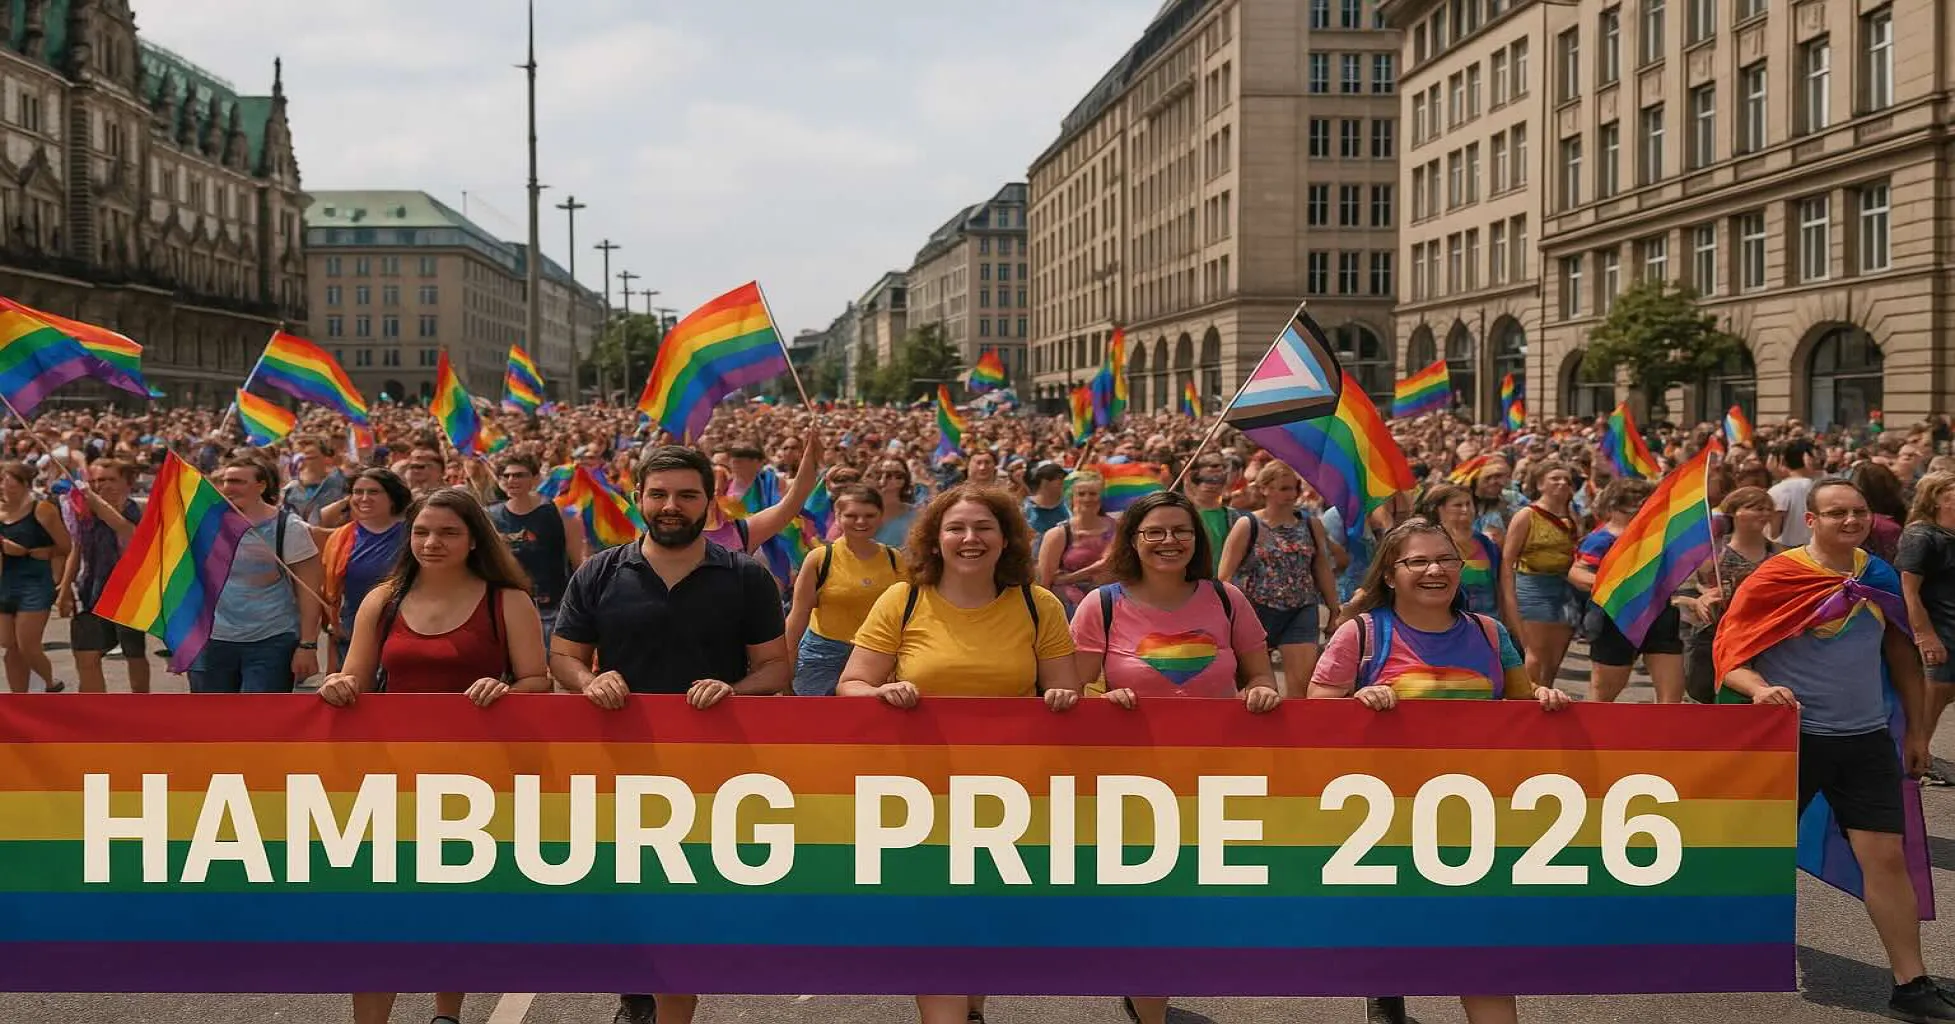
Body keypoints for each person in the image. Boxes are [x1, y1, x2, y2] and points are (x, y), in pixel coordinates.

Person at [548, 444, 791, 1024]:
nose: (670, 506)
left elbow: (776, 668)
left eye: (686, 495)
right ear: (639, 499)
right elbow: (562, 655)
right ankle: (637, 997)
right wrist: (589, 679)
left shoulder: (746, 577)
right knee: (627, 886)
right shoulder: (599, 572)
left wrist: (736, 688)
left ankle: (672, 1003)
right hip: (620, 759)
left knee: (689, 894)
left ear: (710, 504)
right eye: (658, 494)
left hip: (713, 766)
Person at [1309, 519, 1570, 1024]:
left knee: (1483, 953)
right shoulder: (1359, 633)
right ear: (1389, 573)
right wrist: (1354, 701)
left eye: (1447, 559)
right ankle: (1385, 992)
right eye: (1418, 561)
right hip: (1387, 823)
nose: (1436, 570)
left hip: (1475, 821)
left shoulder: (1490, 633)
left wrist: (1542, 696)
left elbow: (1519, 700)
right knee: (1393, 928)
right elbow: (1316, 708)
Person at [837, 484, 1079, 1024]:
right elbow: (851, 683)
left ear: (1006, 538)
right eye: (956, 528)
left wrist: (1061, 698)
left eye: (983, 528)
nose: (970, 539)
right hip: (920, 795)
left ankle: (969, 1007)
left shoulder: (1038, 606)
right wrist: (879, 693)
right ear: (935, 538)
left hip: (1007, 797)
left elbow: (1066, 695)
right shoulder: (901, 601)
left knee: (981, 920)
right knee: (935, 921)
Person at [1715, 479, 1955, 1022]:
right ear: (1812, 521)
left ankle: (1911, 984)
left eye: (1859, 511)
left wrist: (1917, 734)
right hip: (1790, 743)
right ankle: (1710, 953)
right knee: (1751, 855)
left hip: (1866, 740)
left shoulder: (1877, 574)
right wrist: (1758, 689)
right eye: (1837, 513)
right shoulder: (1777, 577)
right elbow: (1729, 656)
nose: (1851, 521)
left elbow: (1902, 656)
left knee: (1887, 861)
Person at [315, 487, 550, 1024]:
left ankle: (447, 1013)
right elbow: (354, 676)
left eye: (447, 532)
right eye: (421, 531)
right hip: (390, 776)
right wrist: (338, 686)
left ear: (473, 540)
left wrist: (508, 690)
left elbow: (538, 680)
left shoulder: (505, 600)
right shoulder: (383, 599)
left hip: (474, 779)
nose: (432, 542)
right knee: (378, 909)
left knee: (453, 903)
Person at [193, 453, 323, 694]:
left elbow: (309, 592)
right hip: (211, 640)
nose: (228, 487)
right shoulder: (205, 523)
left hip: (271, 642)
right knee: (212, 723)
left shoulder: (289, 528)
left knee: (262, 725)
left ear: (261, 485)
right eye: (225, 481)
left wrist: (308, 645)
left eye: (238, 481)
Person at [1218, 462, 1341, 691]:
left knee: (1302, 685)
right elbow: (1225, 574)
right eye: (1284, 489)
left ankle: (1298, 727)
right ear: (1265, 489)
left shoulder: (1310, 524)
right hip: (1255, 611)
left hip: (1301, 609)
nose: (1291, 495)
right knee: (1254, 686)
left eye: (1294, 488)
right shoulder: (1248, 524)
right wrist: (1224, 616)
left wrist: (1334, 608)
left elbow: (1321, 567)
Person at [1568, 477, 1687, 703]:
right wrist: (1620, 586)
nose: (1640, 509)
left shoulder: (1658, 537)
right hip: (1615, 618)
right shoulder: (1602, 539)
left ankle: (1664, 738)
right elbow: (1577, 573)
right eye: (1634, 504)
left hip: (1659, 617)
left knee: (1672, 696)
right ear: (1615, 506)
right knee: (1604, 693)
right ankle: (1589, 737)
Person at [785, 484, 903, 696]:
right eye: (852, 515)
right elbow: (799, 613)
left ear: (881, 516)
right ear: (837, 517)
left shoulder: (895, 559)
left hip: (877, 655)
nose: (861, 522)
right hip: (823, 655)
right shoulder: (820, 558)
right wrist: (784, 662)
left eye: (869, 515)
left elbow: (906, 615)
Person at [1680, 486, 1782, 704]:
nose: (1764, 514)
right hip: (1712, 636)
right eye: (1755, 508)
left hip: (1763, 639)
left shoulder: (1780, 554)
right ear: (1734, 511)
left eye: (1767, 509)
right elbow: (1679, 592)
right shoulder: (1711, 553)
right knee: (1704, 693)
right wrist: (1699, 600)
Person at [58, 458, 150, 693]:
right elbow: (75, 549)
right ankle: (95, 715)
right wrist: (65, 589)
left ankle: (141, 711)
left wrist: (95, 502)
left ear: (127, 482)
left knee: (134, 654)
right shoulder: (81, 512)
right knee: (85, 657)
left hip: (128, 595)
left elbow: (128, 532)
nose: (103, 485)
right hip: (90, 591)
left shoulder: (139, 507)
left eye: (110, 479)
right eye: (97, 480)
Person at [316, 468, 411, 668]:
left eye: (374, 492)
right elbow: (329, 588)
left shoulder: (412, 535)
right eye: (358, 492)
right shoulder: (340, 538)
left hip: (403, 632)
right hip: (351, 634)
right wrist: (333, 621)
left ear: (393, 497)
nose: (364, 498)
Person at [1897, 471, 1955, 785]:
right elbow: (1908, 590)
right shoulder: (1921, 535)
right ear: (1936, 498)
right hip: (1938, 629)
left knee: (1944, 692)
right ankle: (1915, 759)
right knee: (1933, 697)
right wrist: (1924, 634)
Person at [1499, 462, 1579, 688]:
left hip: (1565, 588)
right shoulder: (1527, 515)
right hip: (1534, 586)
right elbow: (1507, 560)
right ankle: (1528, 701)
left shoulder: (1572, 515)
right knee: (1534, 654)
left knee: (1554, 659)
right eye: (1555, 478)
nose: (1563, 483)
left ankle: (1547, 697)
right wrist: (1507, 597)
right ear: (1540, 484)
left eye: (1567, 480)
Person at [488, 453, 585, 641]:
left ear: (534, 479)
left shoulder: (560, 514)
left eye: (519, 475)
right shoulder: (490, 516)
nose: (511, 480)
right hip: (507, 606)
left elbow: (577, 563)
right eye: (505, 476)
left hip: (552, 607)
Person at [0, 460, 69, 693]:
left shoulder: (41, 509)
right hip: (4, 581)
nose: (3, 487)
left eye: (9, 482)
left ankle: (49, 685)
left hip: (34, 581)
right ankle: (20, 700)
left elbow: (66, 546)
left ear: (24, 484)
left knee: (27, 645)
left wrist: (46, 552)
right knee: (9, 646)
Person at [1417, 482, 1521, 635]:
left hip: (1488, 627)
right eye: (1458, 505)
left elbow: (1500, 588)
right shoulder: (1429, 543)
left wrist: (1511, 627)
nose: (1465, 509)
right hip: (1445, 627)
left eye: (1468, 504)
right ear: (1440, 509)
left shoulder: (1487, 544)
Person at [1036, 470, 1115, 614]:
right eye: (1081, 494)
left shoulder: (1117, 528)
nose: (1087, 499)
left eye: (1093, 494)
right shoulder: (1058, 534)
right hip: (1069, 609)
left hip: (1112, 603)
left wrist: (1065, 578)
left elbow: (1107, 563)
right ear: (1072, 497)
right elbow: (1044, 582)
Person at [1769, 438, 1820, 545]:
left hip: (1786, 551)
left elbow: (1774, 533)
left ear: (1783, 460)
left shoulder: (1778, 490)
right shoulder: (1820, 487)